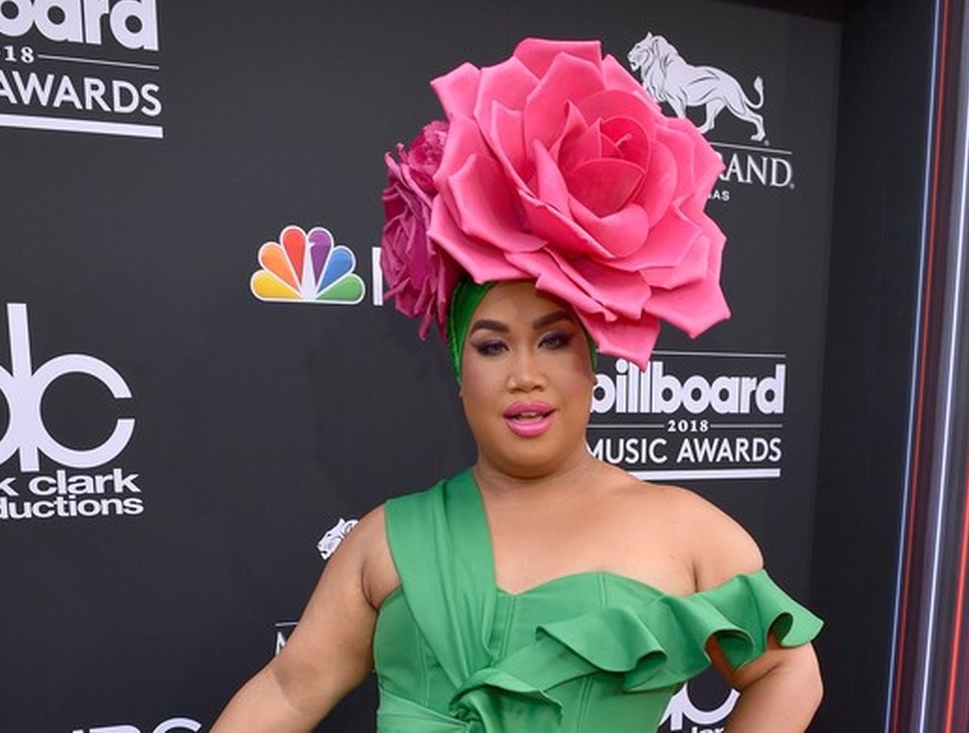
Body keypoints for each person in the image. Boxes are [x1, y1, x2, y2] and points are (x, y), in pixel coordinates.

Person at [212, 38, 822, 732]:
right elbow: (290, 690)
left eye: (554, 340)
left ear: (592, 361)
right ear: (459, 371)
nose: (524, 375)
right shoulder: (386, 540)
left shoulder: (685, 531)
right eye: (492, 345)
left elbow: (789, 669)